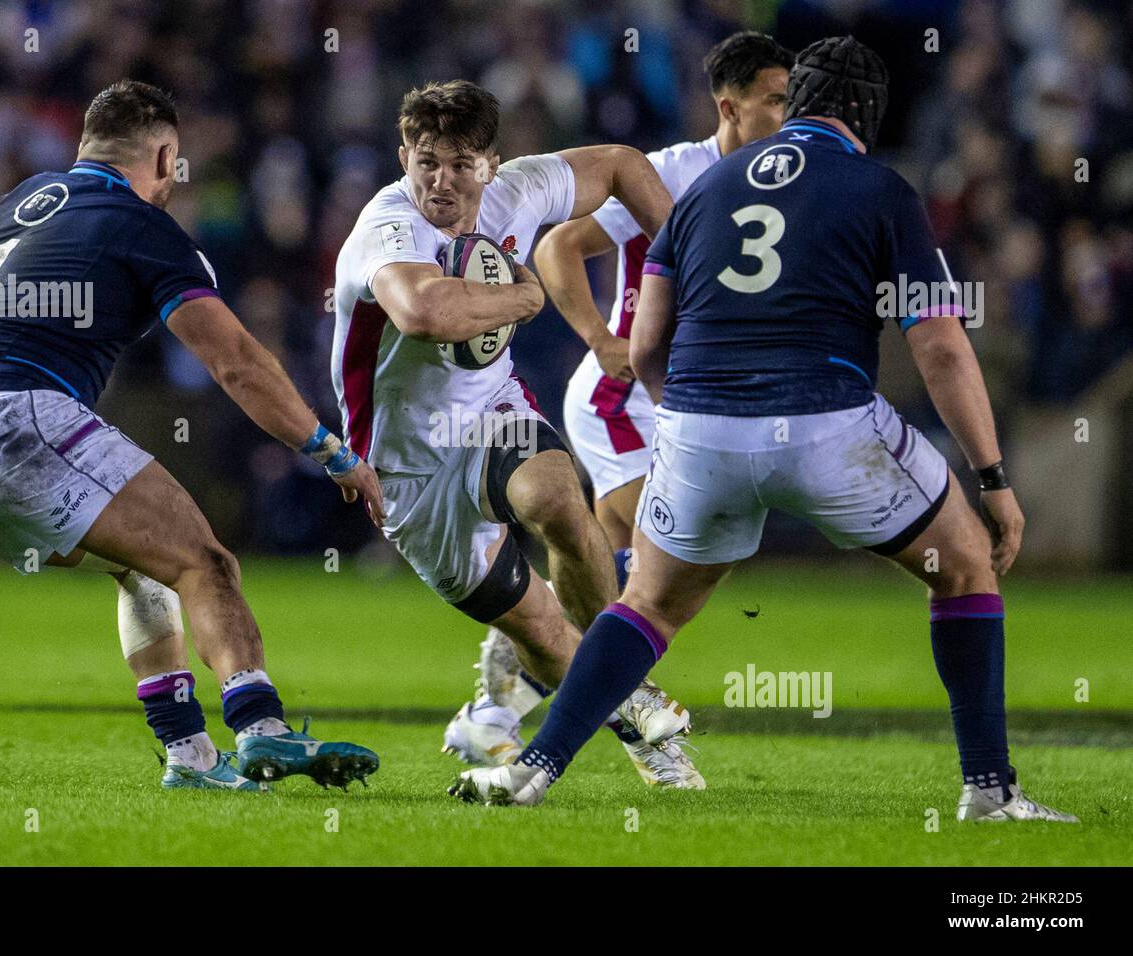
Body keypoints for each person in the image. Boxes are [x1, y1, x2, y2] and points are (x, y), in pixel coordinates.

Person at [451, 37, 1077, 823]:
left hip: (698, 426)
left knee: (644, 604)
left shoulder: (705, 191)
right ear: (866, 116)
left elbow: (647, 344)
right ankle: (990, 790)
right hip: (827, 423)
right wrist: (994, 478)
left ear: (798, 102)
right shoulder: (881, 190)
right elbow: (943, 346)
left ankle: (533, 768)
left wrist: (679, 420)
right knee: (966, 568)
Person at [0, 80, 382, 792]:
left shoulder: (3, 211)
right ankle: (261, 727)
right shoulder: (142, 225)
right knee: (206, 563)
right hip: (15, 420)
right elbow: (237, 363)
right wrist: (333, 453)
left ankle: (189, 759)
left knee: (148, 567)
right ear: (162, 156)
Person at [445, 30, 793, 790]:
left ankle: (499, 706)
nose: (787, 111)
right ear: (730, 106)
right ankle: (640, 732)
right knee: (667, 565)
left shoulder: (784, 182)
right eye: (775, 99)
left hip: (698, 405)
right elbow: (556, 249)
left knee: (624, 576)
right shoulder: (675, 171)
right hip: (624, 400)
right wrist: (601, 337)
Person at [333, 80, 697, 787]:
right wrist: (526, 297)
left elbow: (623, 164)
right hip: (406, 469)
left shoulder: (520, 192)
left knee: (559, 500)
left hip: (493, 411)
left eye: (461, 163)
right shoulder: (389, 225)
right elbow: (423, 313)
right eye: (427, 160)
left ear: (492, 164)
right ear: (403, 154)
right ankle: (621, 707)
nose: (441, 181)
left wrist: (689, 259)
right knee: (546, 639)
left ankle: (637, 703)